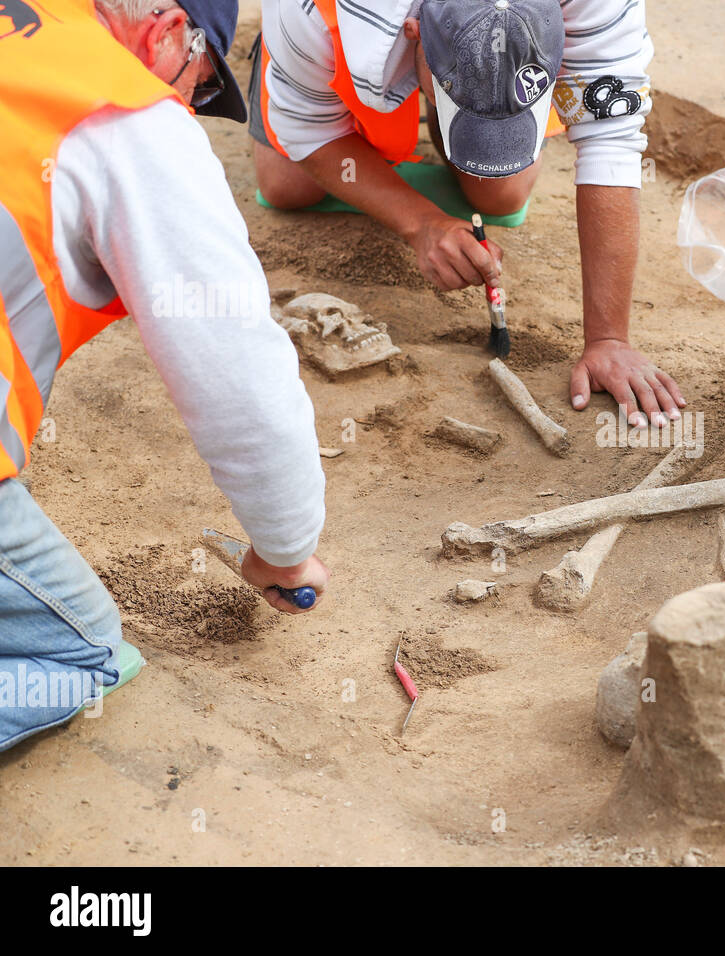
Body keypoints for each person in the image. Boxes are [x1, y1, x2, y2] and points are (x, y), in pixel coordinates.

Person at [0, 0, 329, 751]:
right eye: (197, 80)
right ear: (167, 28)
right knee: (74, 656)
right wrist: (286, 546)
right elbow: (236, 370)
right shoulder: (124, 111)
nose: (186, 103)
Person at [250, 0, 685, 428]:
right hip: (332, 36)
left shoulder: (596, 5)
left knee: (500, 194)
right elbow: (306, 129)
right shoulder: (309, 12)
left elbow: (612, 138)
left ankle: (474, 105)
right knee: (288, 186)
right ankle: (296, 63)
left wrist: (608, 338)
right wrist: (422, 224)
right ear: (414, 32)